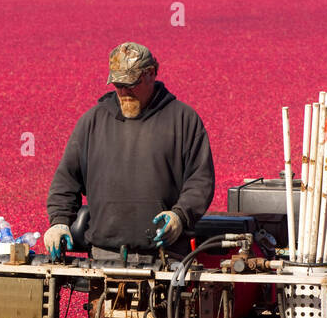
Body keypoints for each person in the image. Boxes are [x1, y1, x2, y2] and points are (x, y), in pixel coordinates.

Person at [44, 42, 215, 260]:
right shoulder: (92, 122)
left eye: (131, 84)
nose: (124, 92)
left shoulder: (183, 120)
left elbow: (200, 180)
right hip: (104, 255)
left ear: (151, 73)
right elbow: (66, 181)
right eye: (118, 85)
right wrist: (59, 223)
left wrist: (179, 216)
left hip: (165, 256)